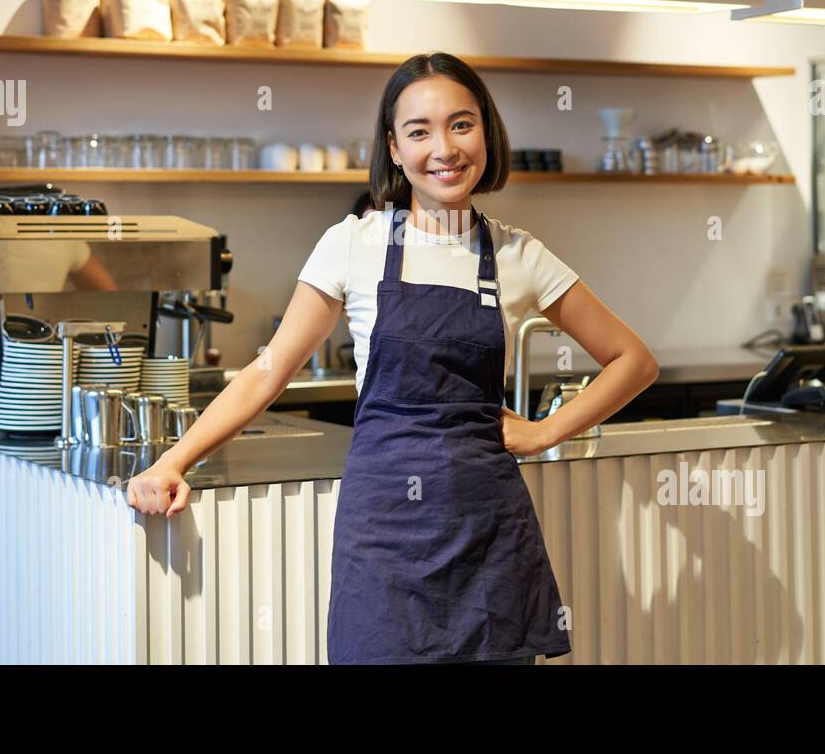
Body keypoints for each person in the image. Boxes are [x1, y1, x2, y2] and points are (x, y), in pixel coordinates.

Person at [126, 52, 659, 664]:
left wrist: (543, 434)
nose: (445, 148)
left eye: (462, 124)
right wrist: (174, 461)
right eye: (419, 131)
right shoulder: (352, 243)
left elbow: (633, 360)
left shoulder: (517, 256)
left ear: (487, 130)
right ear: (394, 146)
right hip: (382, 536)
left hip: (486, 533)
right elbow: (268, 371)